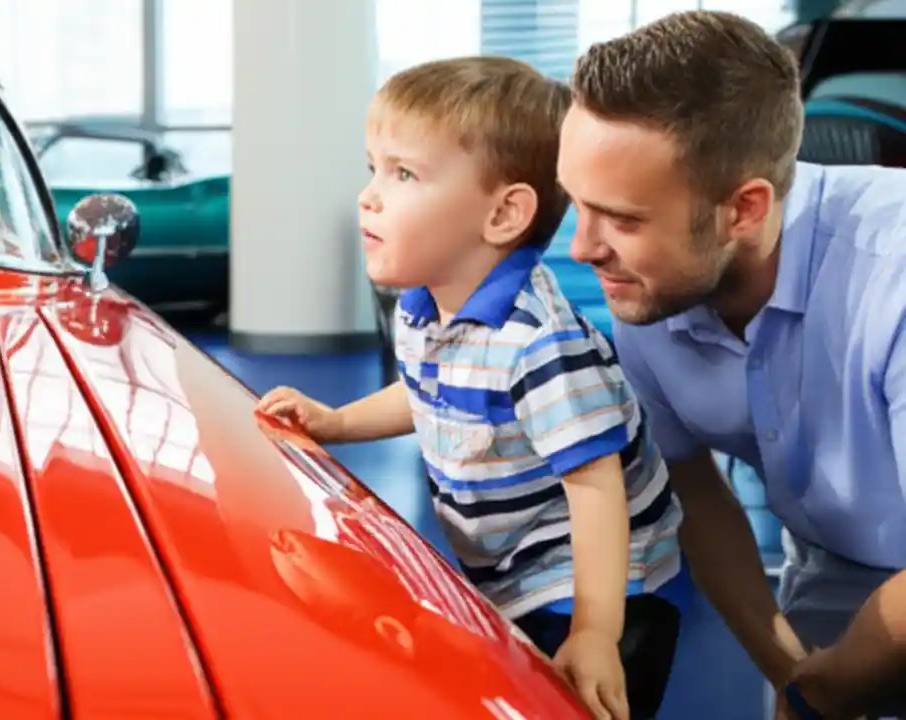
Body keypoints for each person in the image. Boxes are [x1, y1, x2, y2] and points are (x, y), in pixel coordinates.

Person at [255, 56, 685, 719]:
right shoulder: (425, 310)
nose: (369, 195)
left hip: (598, 589)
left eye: (403, 174)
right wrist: (337, 423)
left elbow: (596, 490)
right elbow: (429, 395)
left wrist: (596, 632)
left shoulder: (540, 346)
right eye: (372, 167)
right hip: (506, 576)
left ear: (505, 214)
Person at [557, 10, 906, 719]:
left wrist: (826, 688)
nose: (583, 249)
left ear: (742, 210)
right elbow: (696, 491)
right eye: (577, 206)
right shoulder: (652, 286)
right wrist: (796, 675)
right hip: (832, 566)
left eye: (621, 219)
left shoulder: (891, 274)